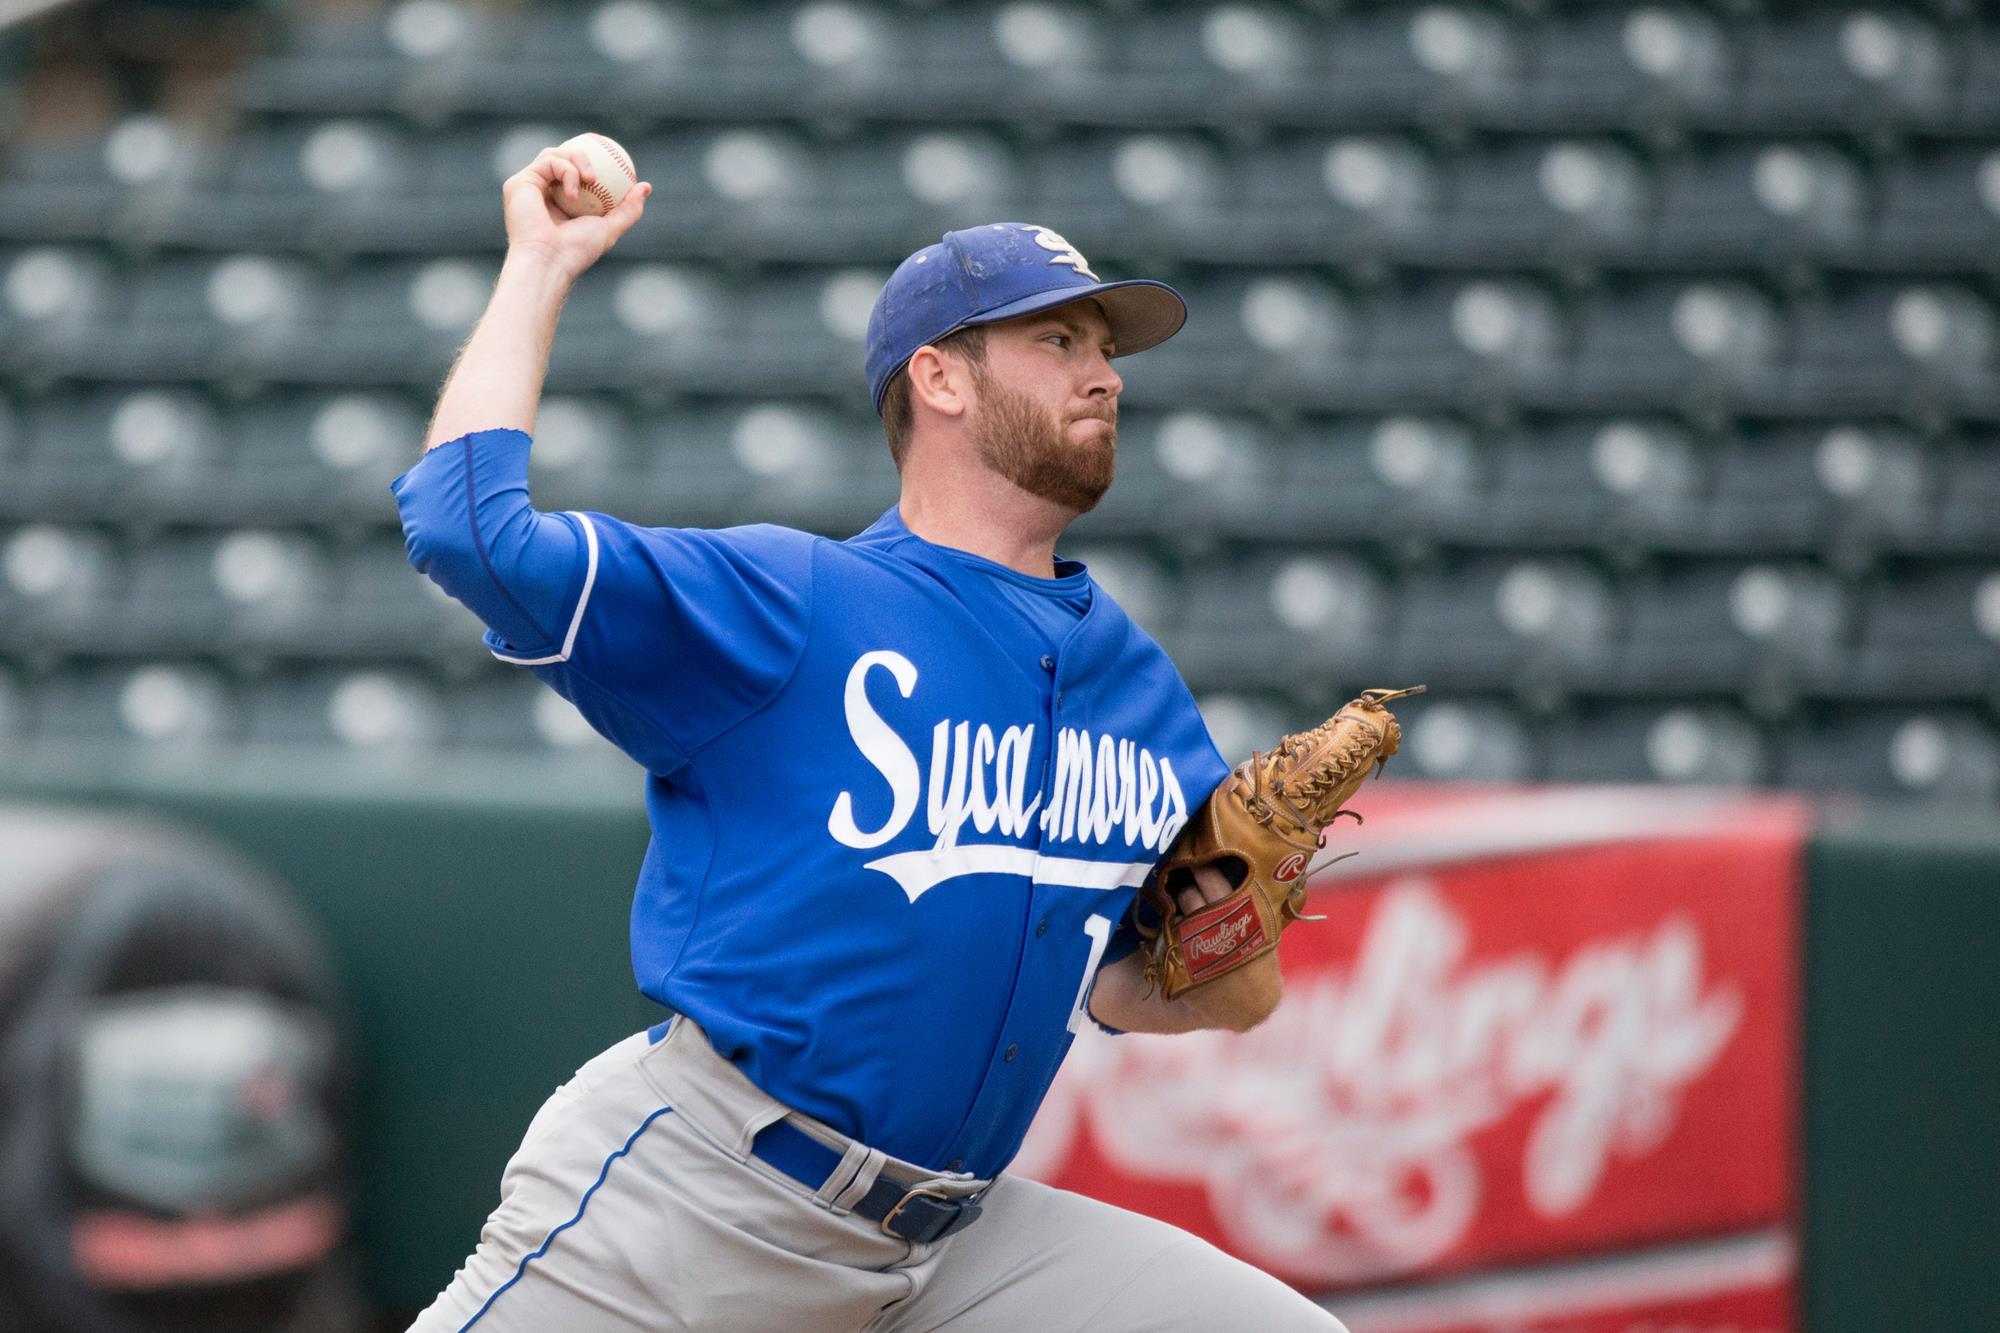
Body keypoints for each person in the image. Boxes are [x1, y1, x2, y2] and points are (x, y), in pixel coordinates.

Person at [392, 142, 1346, 1332]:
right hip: (702, 1205)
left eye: (1106, 348)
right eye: (1057, 341)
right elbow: (465, 530)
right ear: (938, 379)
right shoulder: (792, 603)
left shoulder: (1140, 691)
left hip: (951, 1244)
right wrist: (540, 263)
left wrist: (1219, 957)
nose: (1102, 374)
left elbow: (1130, 991)